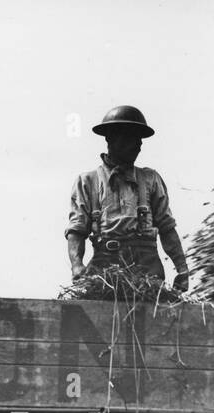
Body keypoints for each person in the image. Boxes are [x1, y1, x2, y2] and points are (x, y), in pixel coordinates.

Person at [65, 106, 190, 290]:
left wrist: (182, 269)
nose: (139, 144)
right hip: (105, 271)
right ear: (111, 138)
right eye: (131, 137)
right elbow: (76, 230)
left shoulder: (150, 179)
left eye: (140, 138)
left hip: (147, 273)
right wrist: (77, 265)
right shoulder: (88, 181)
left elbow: (167, 227)